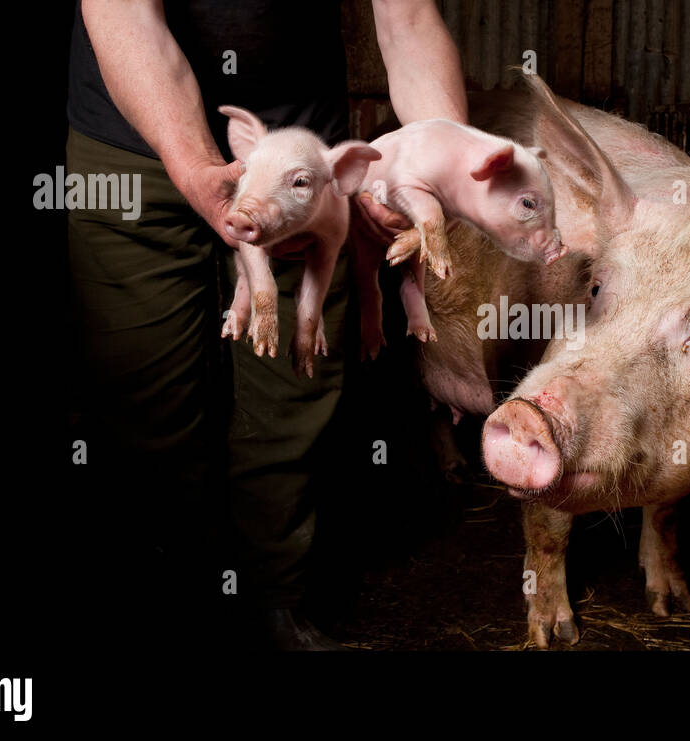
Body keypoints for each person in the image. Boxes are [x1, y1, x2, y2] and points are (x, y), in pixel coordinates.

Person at [67, 0, 465, 650]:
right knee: (144, 396)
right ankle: (169, 609)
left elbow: (410, 22)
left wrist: (434, 166)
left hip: (296, 153)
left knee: (292, 390)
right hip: (128, 151)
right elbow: (123, 16)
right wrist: (196, 169)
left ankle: (277, 605)